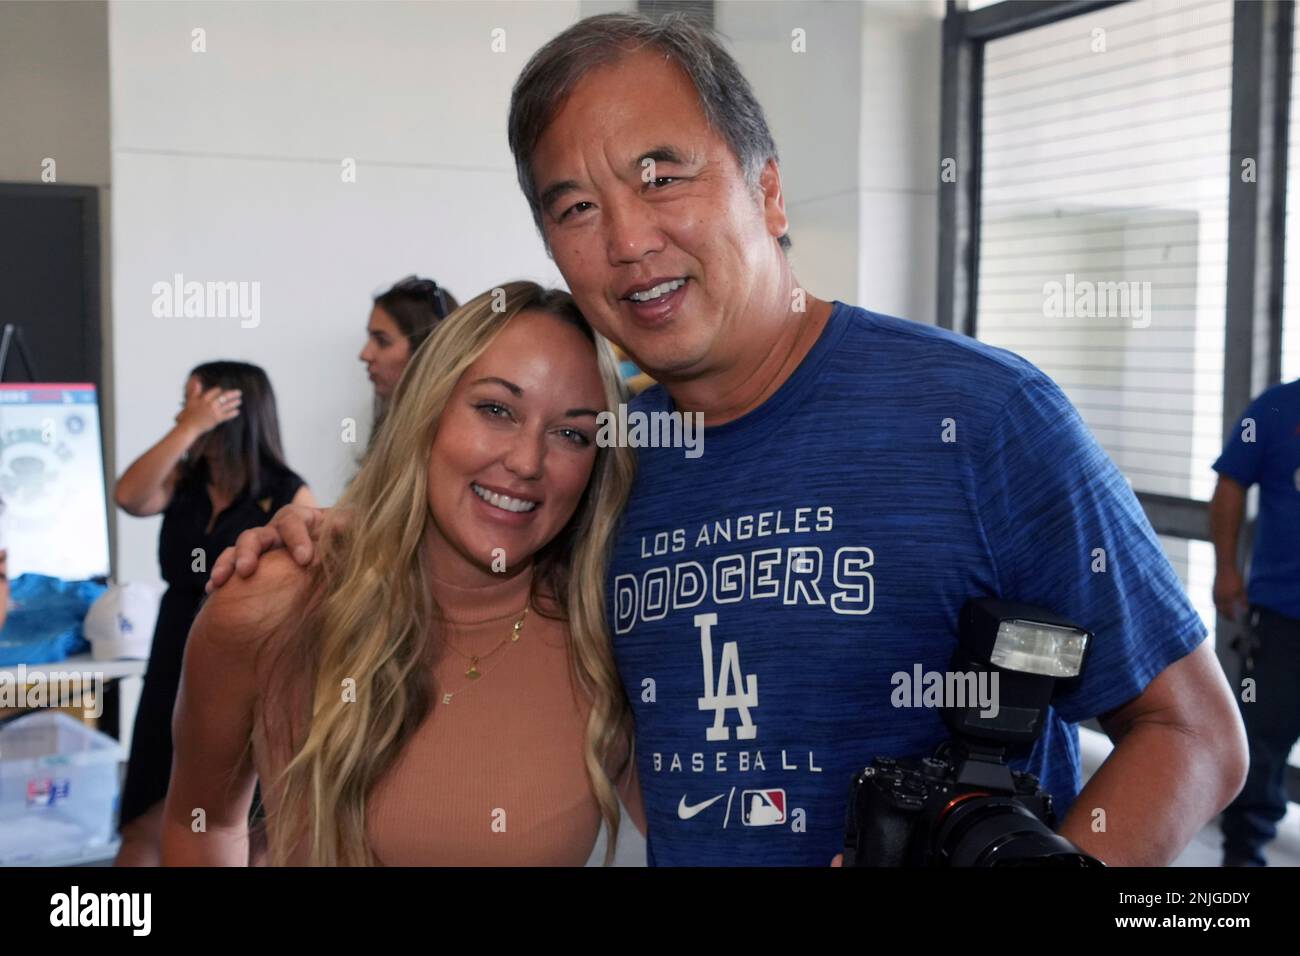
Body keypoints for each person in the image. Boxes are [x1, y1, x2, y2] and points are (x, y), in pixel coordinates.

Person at [213, 12, 1247, 866]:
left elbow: (1194, 731)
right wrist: (324, 531)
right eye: (576, 206)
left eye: (662, 174)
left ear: (766, 189)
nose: (626, 239)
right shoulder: (604, 458)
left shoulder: (980, 414)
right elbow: (472, 553)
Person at [163, 283, 641, 866]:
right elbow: (203, 826)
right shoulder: (273, 603)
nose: (526, 462)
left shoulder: (607, 634)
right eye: (496, 410)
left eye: (572, 434)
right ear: (428, 411)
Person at [113, 361, 315, 866]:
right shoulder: (183, 480)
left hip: (251, 662)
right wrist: (188, 428)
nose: (184, 410)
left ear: (234, 410)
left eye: (194, 401)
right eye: (185, 402)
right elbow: (129, 496)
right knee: (144, 818)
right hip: (173, 653)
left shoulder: (288, 493)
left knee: (251, 828)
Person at [1211, 377, 1300, 866]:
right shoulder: (1274, 409)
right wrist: (1227, 568)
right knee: (1258, 750)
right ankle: (1242, 865)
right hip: (1283, 619)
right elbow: (1230, 484)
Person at [360, 275, 459, 407]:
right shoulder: (396, 422)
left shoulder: (454, 424)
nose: (365, 354)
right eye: (370, 338)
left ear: (426, 349)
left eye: (382, 341)